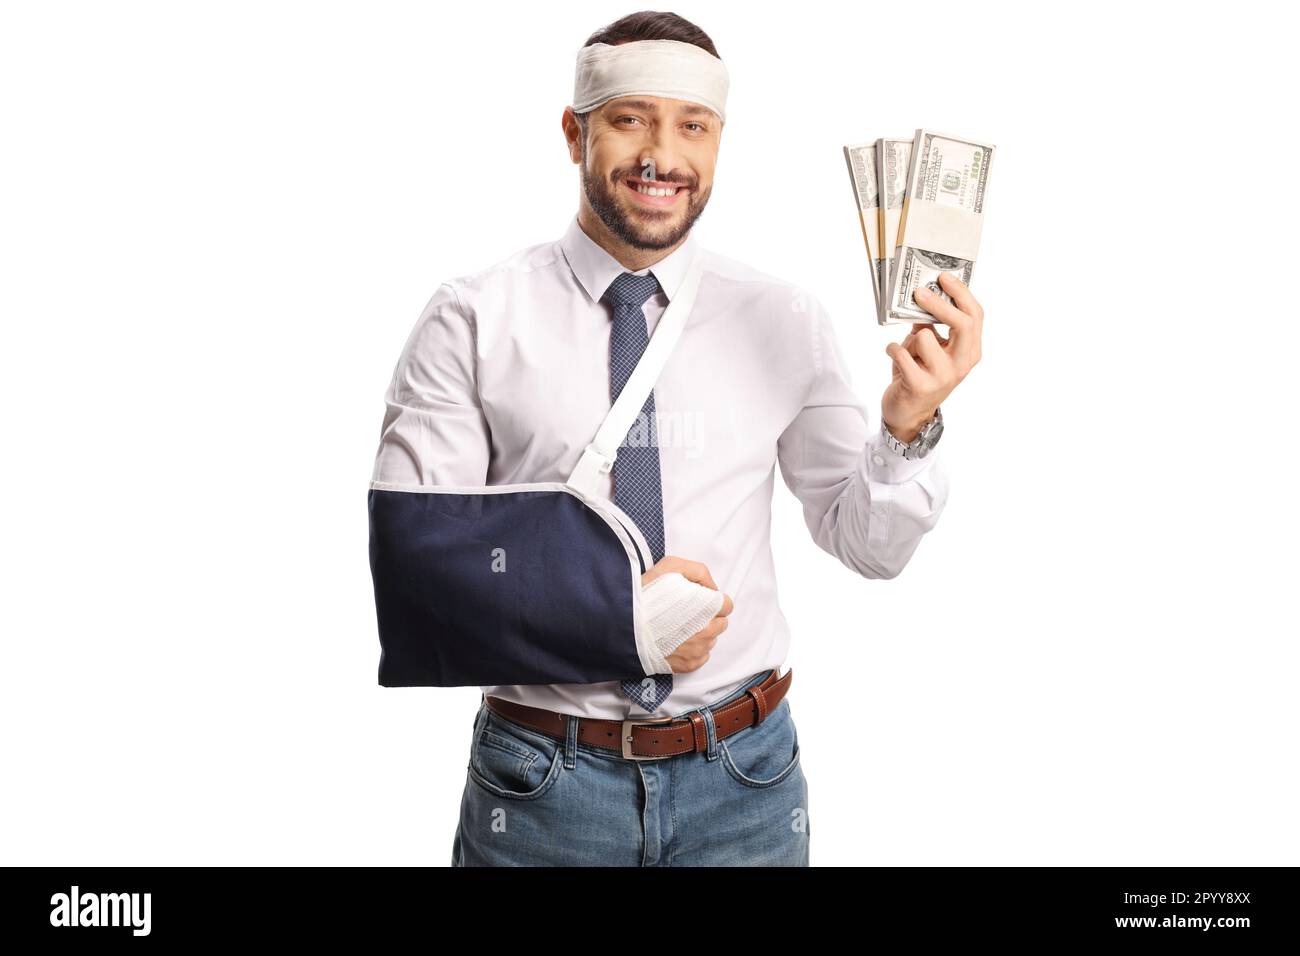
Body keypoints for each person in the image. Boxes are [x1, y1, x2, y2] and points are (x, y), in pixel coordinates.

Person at [369, 10, 984, 867]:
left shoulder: (784, 319)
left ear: (719, 143)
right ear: (574, 133)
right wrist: (623, 624)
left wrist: (906, 430)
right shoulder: (472, 320)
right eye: (630, 119)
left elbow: (867, 546)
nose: (663, 155)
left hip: (746, 784)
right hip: (542, 786)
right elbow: (421, 580)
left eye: (692, 125)